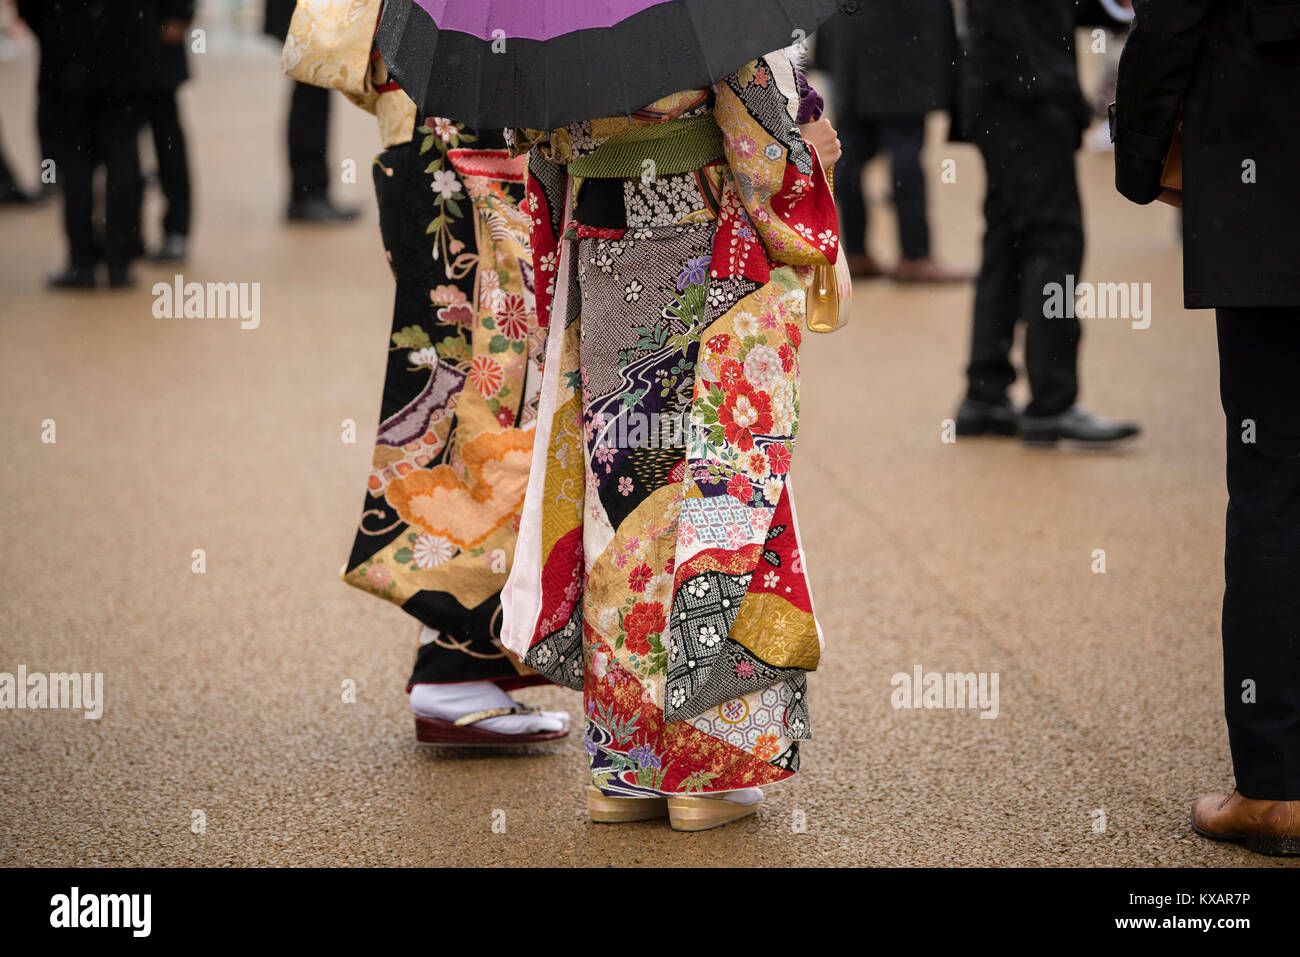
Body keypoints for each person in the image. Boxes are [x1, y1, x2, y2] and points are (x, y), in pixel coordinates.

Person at [505, 48, 838, 831]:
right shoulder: (700, 21)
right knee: (712, 495)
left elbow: (536, 136)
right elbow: (762, 138)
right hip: (699, 251)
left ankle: (624, 767)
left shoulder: (549, 22)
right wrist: (808, 143)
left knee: (619, 497)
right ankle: (703, 773)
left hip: (603, 241)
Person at [1114, 0, 1300, 856]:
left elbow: (1177, 12)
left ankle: (1278, 788)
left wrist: (1142, 148)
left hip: (1275, 153)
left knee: (1275, 489)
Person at [339, 50, 566, 744]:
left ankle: (472, 660)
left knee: (480, 403)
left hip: (446, 141)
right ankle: (453, 664)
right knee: (480, 405)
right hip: (466, 157)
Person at [954, 0, 1141, 444]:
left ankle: (986, 393)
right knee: (1055, 242)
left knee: (1007, 241)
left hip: (1002, 90)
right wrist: (1054, 93)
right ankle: (1051, 403)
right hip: (1026, 95)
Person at [18, 0, 167, 288]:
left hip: (71, 54)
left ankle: (81, 261)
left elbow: (31, 9)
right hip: (125, 51)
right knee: (122, 155)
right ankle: (118, 260)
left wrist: (53, 33)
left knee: (78, 161)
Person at [823, 0, 969, 282]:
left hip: (855, 50)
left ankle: (856, 252)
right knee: (901, 160)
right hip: (903, 53)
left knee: (849, 160)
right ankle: (912, 256)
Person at [264, 0, 359, 223]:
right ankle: (307, 193)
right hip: (307, 14)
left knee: (313, 95)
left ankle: (309, 192)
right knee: (311, 97)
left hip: (309, 13)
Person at [146, 3, 196, 261]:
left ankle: (176, 230)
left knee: (167, 141)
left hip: (156, 39)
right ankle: (121, 233)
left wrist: (180, 13)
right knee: (116, 146)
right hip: (110, 43)